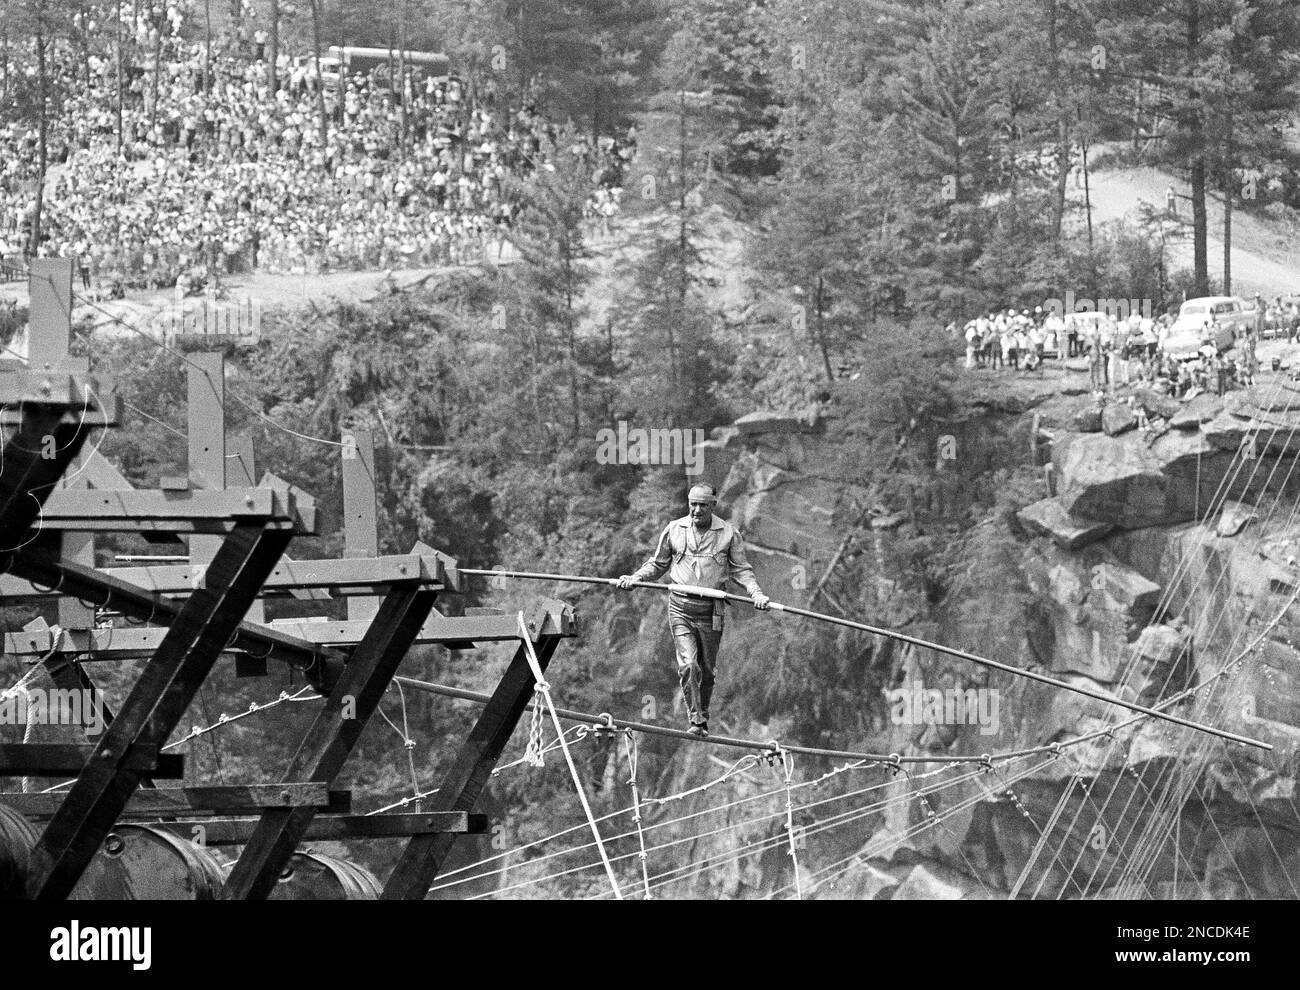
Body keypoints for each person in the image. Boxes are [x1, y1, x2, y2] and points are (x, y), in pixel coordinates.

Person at [617, 483, 770, 737]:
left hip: (711, 612)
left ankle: (703, 714)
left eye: (702, 505)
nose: (697, 510)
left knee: (707, 670)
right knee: (689, 665)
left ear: (713, 505)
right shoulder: (674, 529)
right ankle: (696, 719)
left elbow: (742, 570)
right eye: (693, 504)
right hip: (680, 608)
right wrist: (635, 578)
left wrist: (756, 594)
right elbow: (658, 564)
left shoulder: (728, 534)